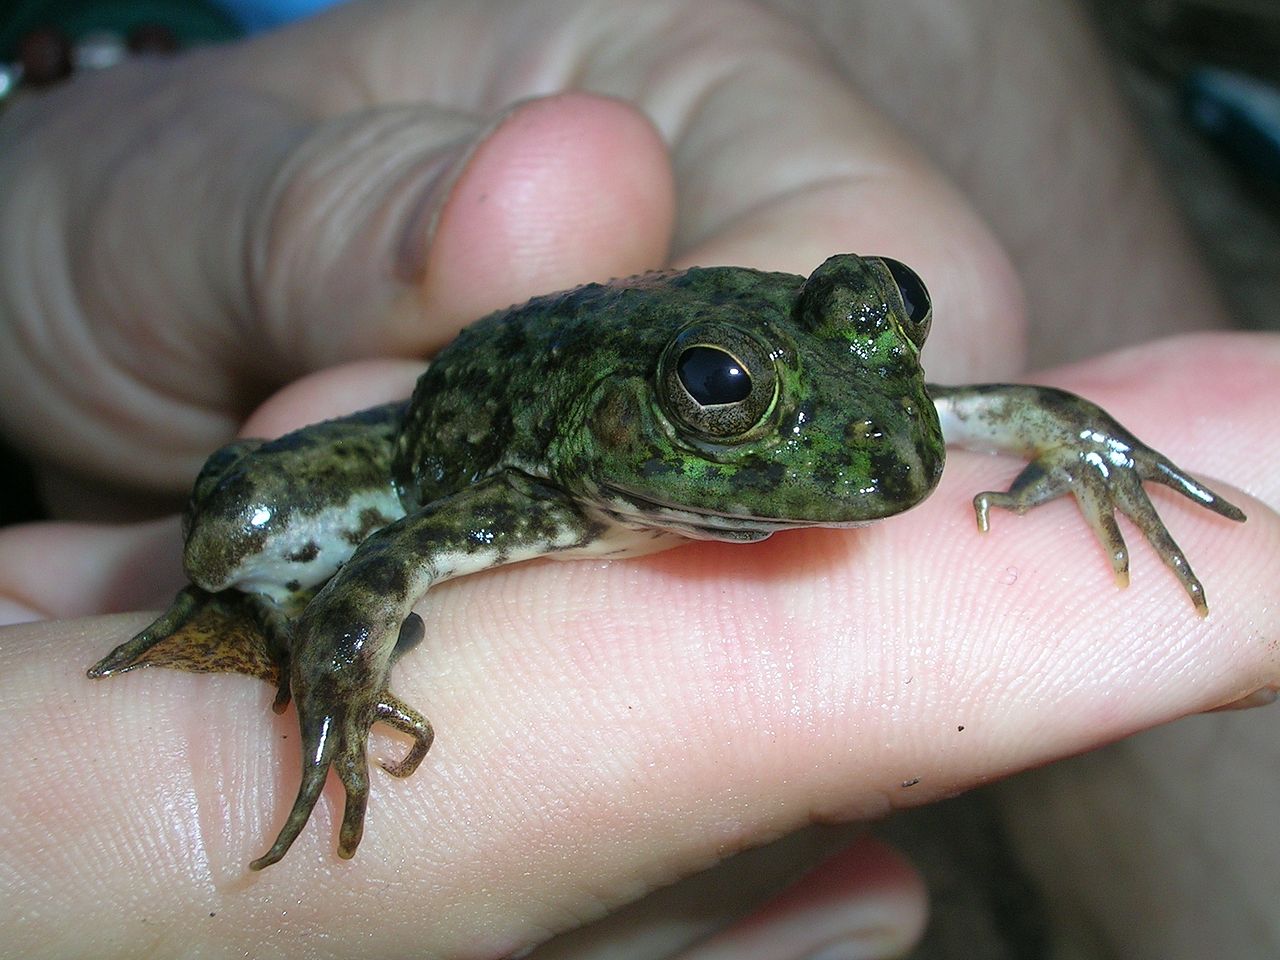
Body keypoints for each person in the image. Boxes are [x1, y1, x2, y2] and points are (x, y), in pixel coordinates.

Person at [0, 1, 1275, 956]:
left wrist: (1091, 447)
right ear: (655, 412)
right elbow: (385, 571)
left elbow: (1013, 409)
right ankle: (229, 611)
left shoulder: (863, 405)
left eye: (886, 320)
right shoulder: (532, 496)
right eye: (724, 396)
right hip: (445, 437)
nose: (886, 440)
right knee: (243, 522)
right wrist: (328, 682)